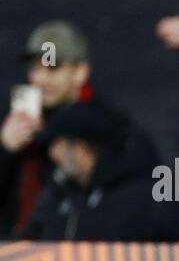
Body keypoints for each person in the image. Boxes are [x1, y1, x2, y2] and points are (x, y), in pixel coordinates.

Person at [20, 101, 167, 242]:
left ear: (81, 150)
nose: (52, 154)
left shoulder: (140, 201)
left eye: (57, 145)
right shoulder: (59, 194)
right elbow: (25, 244)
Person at [0, 21, 95, 237]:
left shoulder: (100, 124)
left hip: (67, 255)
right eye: (35, 67)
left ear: (79, 72)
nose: (40, 78)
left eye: (52, 68)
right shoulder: (11, 119)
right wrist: (4, 148)